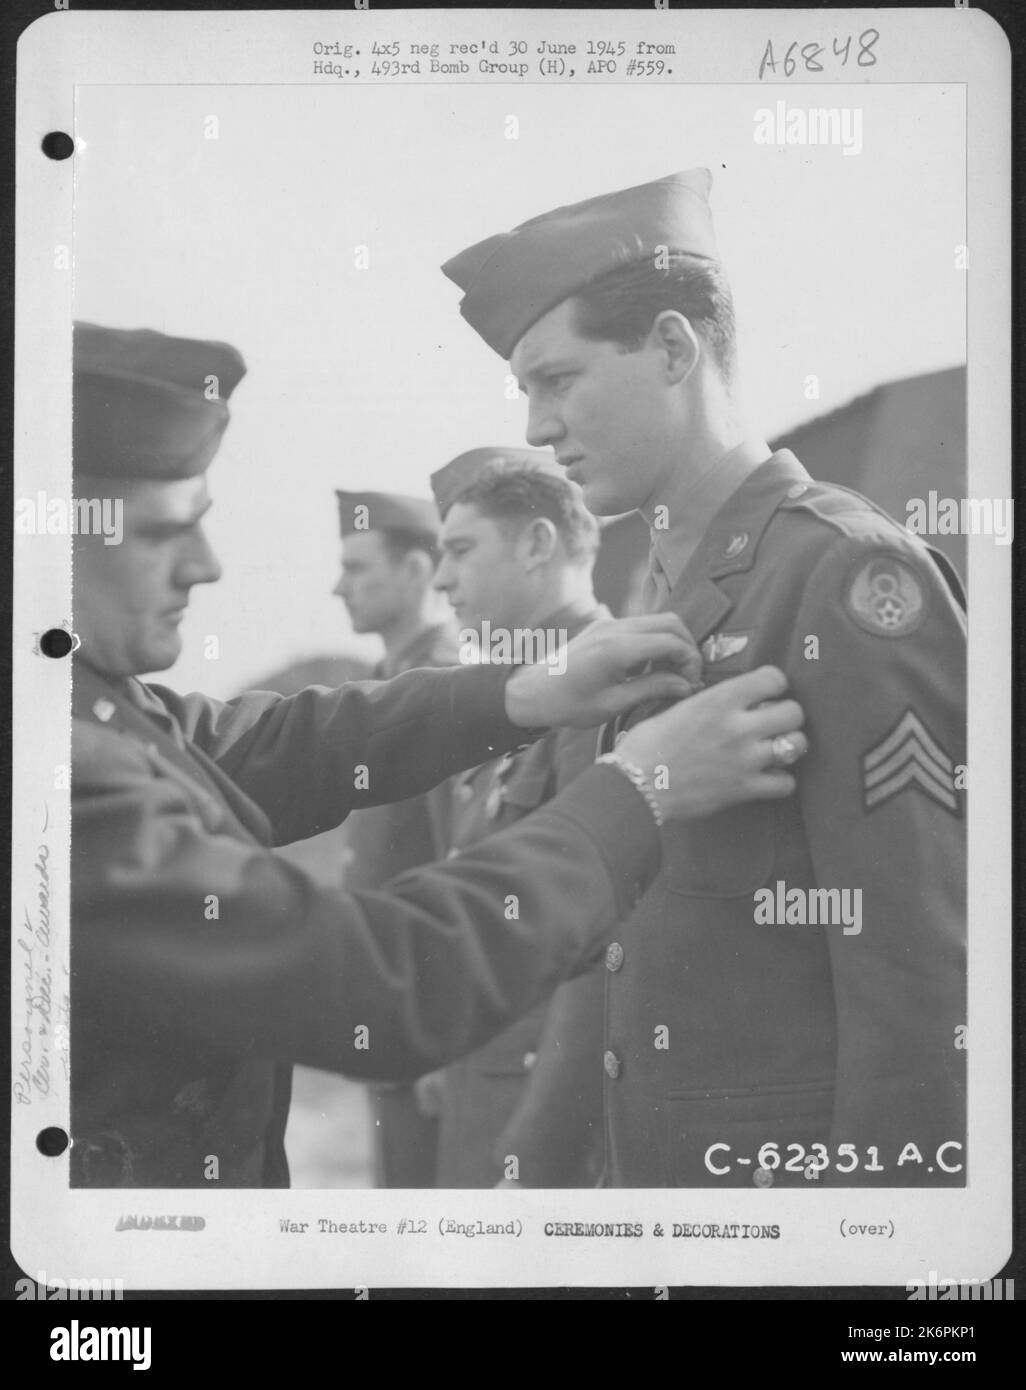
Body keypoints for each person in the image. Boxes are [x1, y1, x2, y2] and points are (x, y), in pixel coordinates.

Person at [69, 320, 807, 1188]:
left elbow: (253, 744)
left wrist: (517, 693)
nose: (208, 567)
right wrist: (638, 790)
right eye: (163, 533)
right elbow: (380, 982)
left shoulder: (85, 701)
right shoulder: (67, 777)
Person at [442, 168, 966, 1187]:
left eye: (557, 380)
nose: (537, 428)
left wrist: (863, 1240)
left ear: (674, 349)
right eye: (526, 393)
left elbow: (917, 972)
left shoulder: (846, 573)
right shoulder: (657, 601)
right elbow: (620, 940)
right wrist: (541, 1166)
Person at [427, 446, 608, 1187]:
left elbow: (601, 953)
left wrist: (535, 1155)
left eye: (461, 552)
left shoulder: (603, 688)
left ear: (537, 545)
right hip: (483, 1088)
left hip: (540, 1124)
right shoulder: (511, 699)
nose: (441, 581)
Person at [333, 488, 457, 1188]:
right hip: (389, 1010)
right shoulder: (383, 683)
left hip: (428, 1024)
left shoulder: (442, 685)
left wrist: (449, 1040)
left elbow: (460, 858)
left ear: (416, 572)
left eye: (358, 568)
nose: (338, 586)